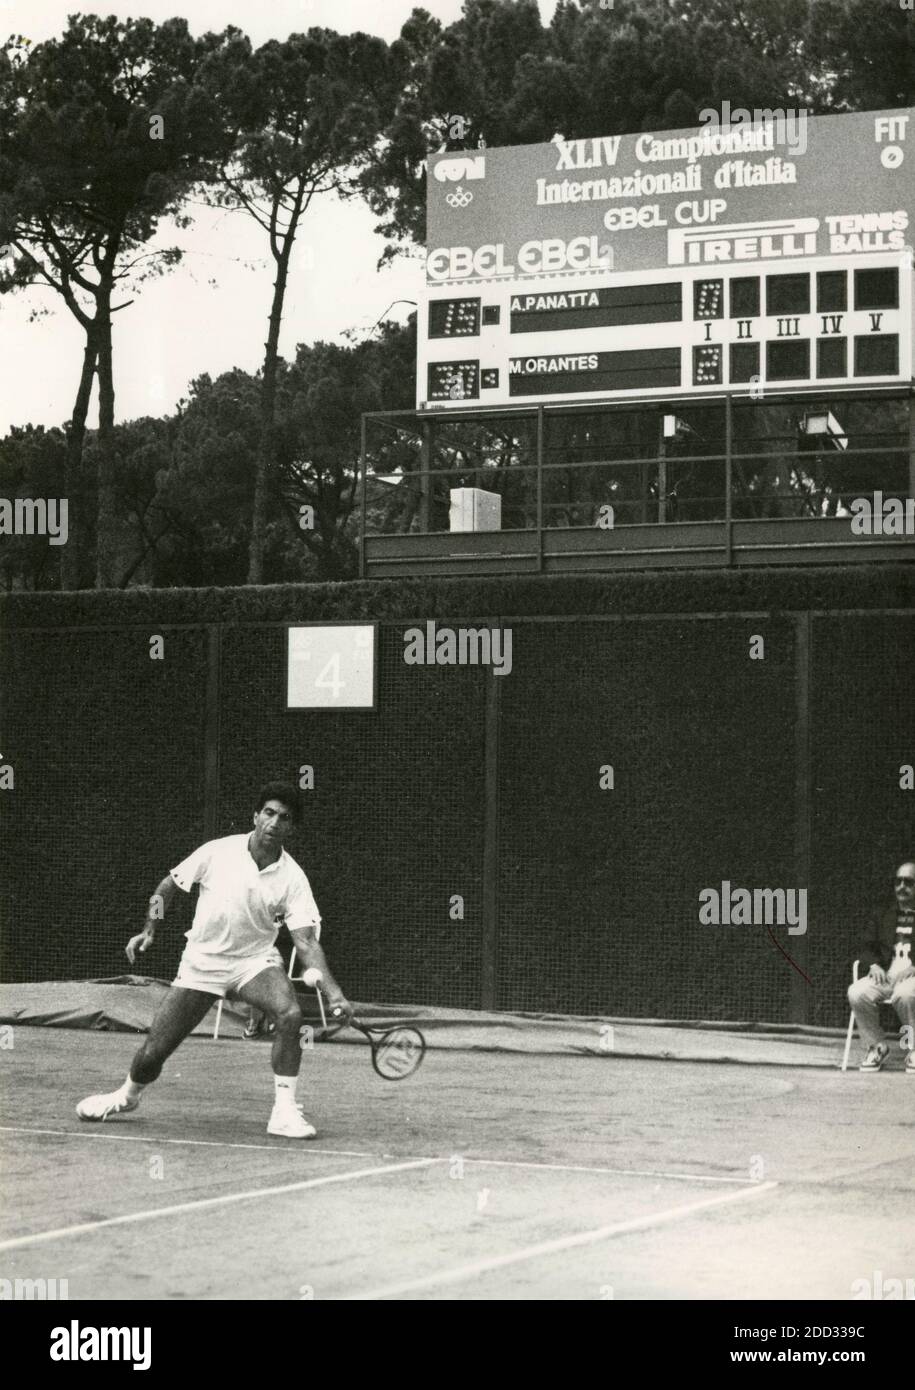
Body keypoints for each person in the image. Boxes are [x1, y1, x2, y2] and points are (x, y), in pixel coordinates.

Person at [76, 781, 352, 1137]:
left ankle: (284, 1112)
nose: (274, 822)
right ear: (255, 816)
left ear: (290, 828)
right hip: (202, 963)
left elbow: (306, 941)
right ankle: (128, 1095)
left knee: (291, 1013)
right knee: (153, 1053)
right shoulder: (217, 852)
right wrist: (150, 930)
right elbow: (169, 885)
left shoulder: (293, 878)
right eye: (268, 812)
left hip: (254, 963)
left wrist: (335, 995)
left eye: (284, 817)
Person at [848, 859, 915, 1073]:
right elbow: (865, 945)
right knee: (857, 992)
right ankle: (877, 1046)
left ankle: (913, 1048)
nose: (902, 887)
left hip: (912, 977)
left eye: (908, 882)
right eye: (898, 881)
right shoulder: (882, 914)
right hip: (885, 975)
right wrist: (874, 965)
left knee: (904, 995)